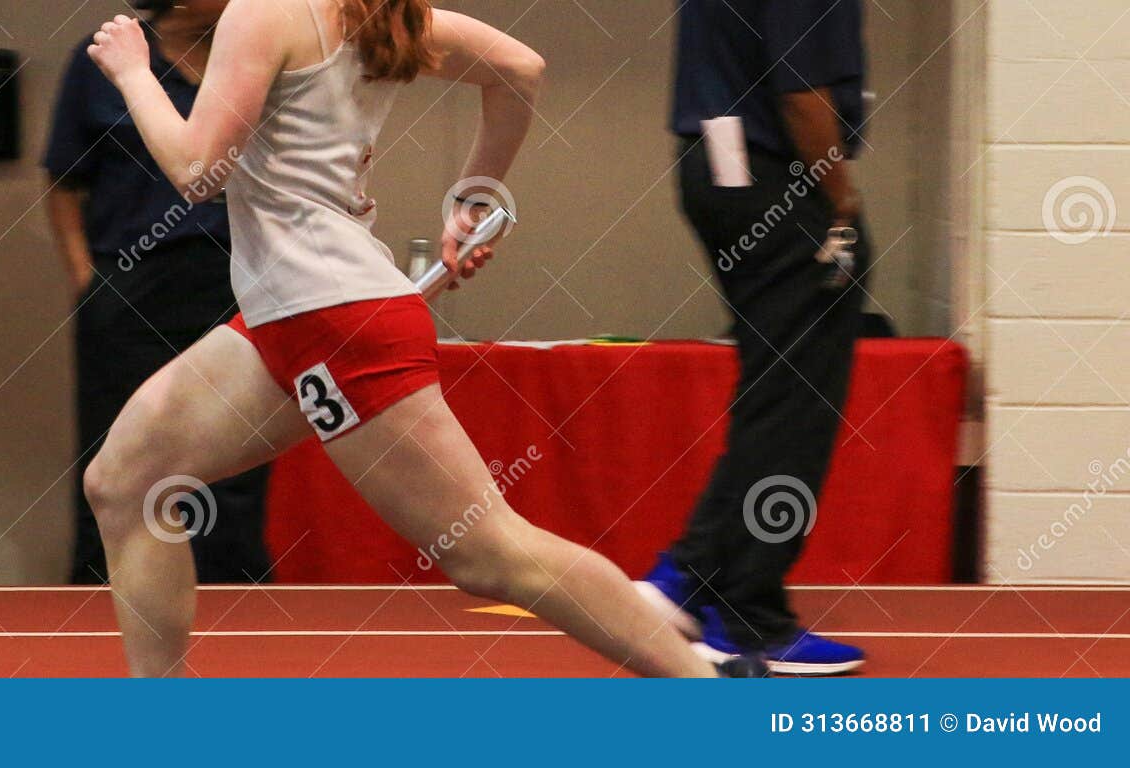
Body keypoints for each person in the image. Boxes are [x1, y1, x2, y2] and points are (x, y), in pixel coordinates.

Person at [82, 0, 761, 678]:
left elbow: (200, 173)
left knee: (490, 551)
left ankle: (704, 687)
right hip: (288, 317)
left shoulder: (262, 13)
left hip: (330, 321)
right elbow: (519, 68)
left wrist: (134, 70)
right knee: (124, 481)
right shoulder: (373, 12)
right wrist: (473, 196)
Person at [636, 0, 870, 675]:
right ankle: (747, 617)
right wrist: (843, 198)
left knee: (776, 392)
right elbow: (799, 89)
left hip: (721, 161)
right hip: (774, 173)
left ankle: (693, 574)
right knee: (794, 405)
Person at [45, 0, 272, 585]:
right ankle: (103, 589)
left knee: (234, 453)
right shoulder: (103, 59)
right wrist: (87, 280)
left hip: (234, 277)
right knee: (116, 452)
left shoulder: (255, 50)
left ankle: (231, 588)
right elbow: (63, 181)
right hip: (130, 282)